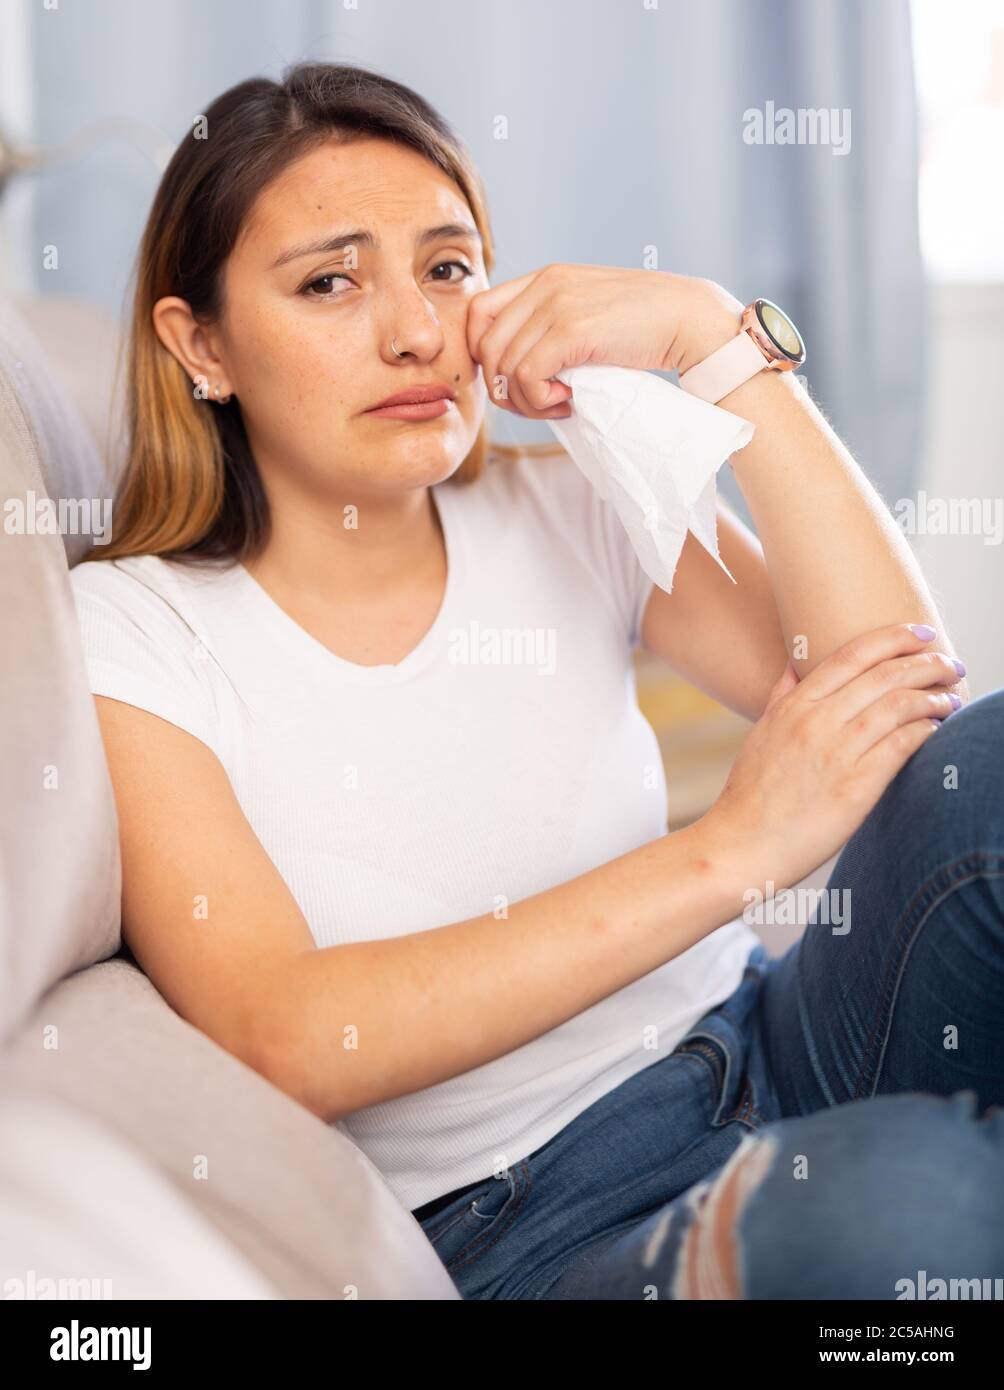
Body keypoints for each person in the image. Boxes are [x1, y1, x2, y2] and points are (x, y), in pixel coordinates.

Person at [70, 62, 1004, 1300]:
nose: (413, 330)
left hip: (780, 1038)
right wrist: (731, 849)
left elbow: (901, 701)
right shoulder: (135, 626)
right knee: (913, 1205)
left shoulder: (566, 496)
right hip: (529, 1225)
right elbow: (286, 1034)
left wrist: (713, 338)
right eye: (329, 282)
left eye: (446, 268)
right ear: (202, 344)